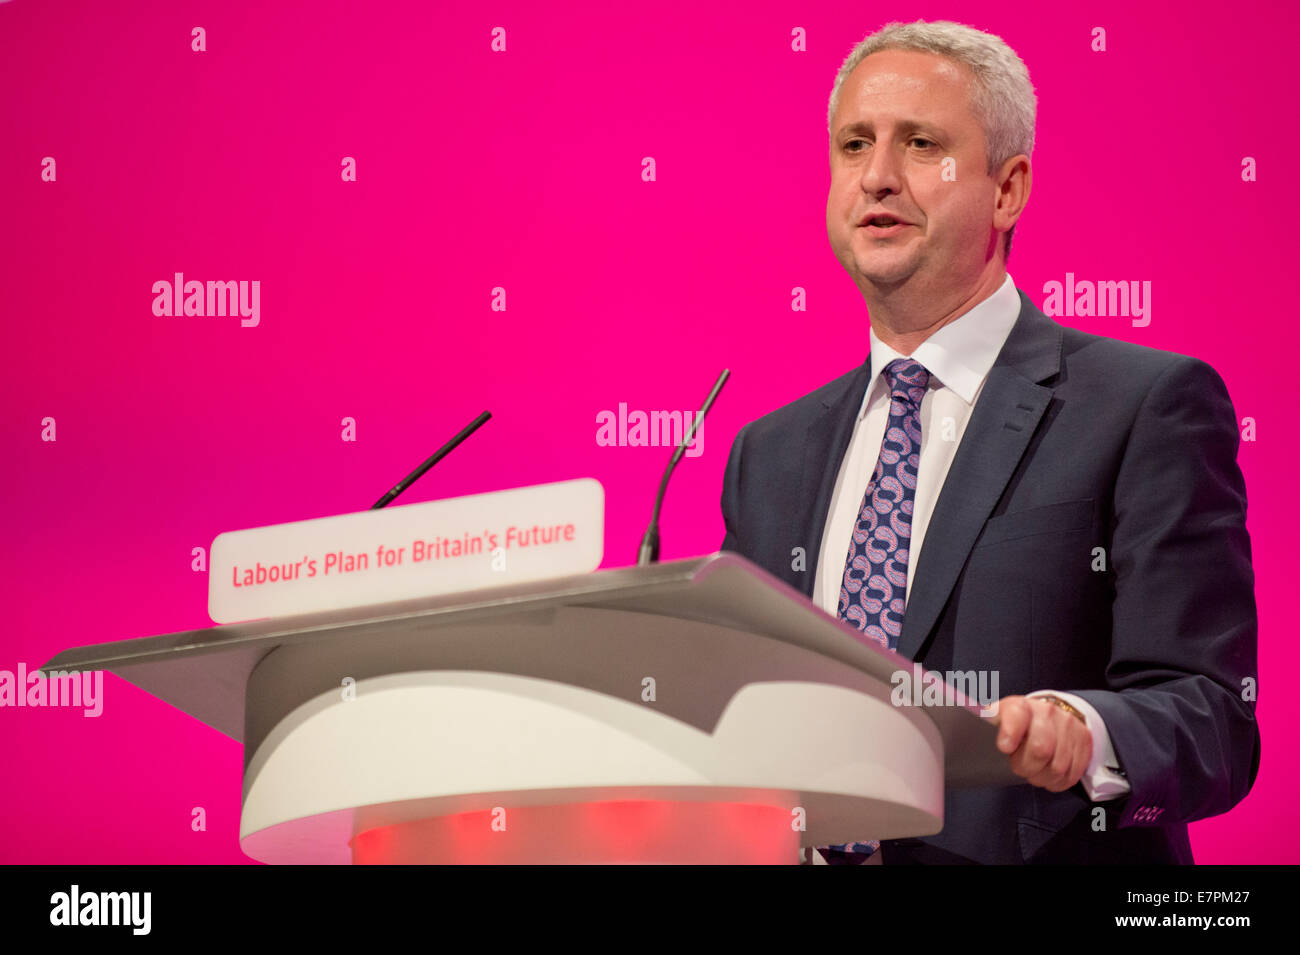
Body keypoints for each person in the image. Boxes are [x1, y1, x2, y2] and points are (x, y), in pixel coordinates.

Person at [718, 19, 1259, 864]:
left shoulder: (1144, 405)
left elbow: (1213, 718)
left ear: (1007, 190)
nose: (878, 176)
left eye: (921, 143)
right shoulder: (769, 452)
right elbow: (742, 716)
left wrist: (1084, 730)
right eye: (854, 144)